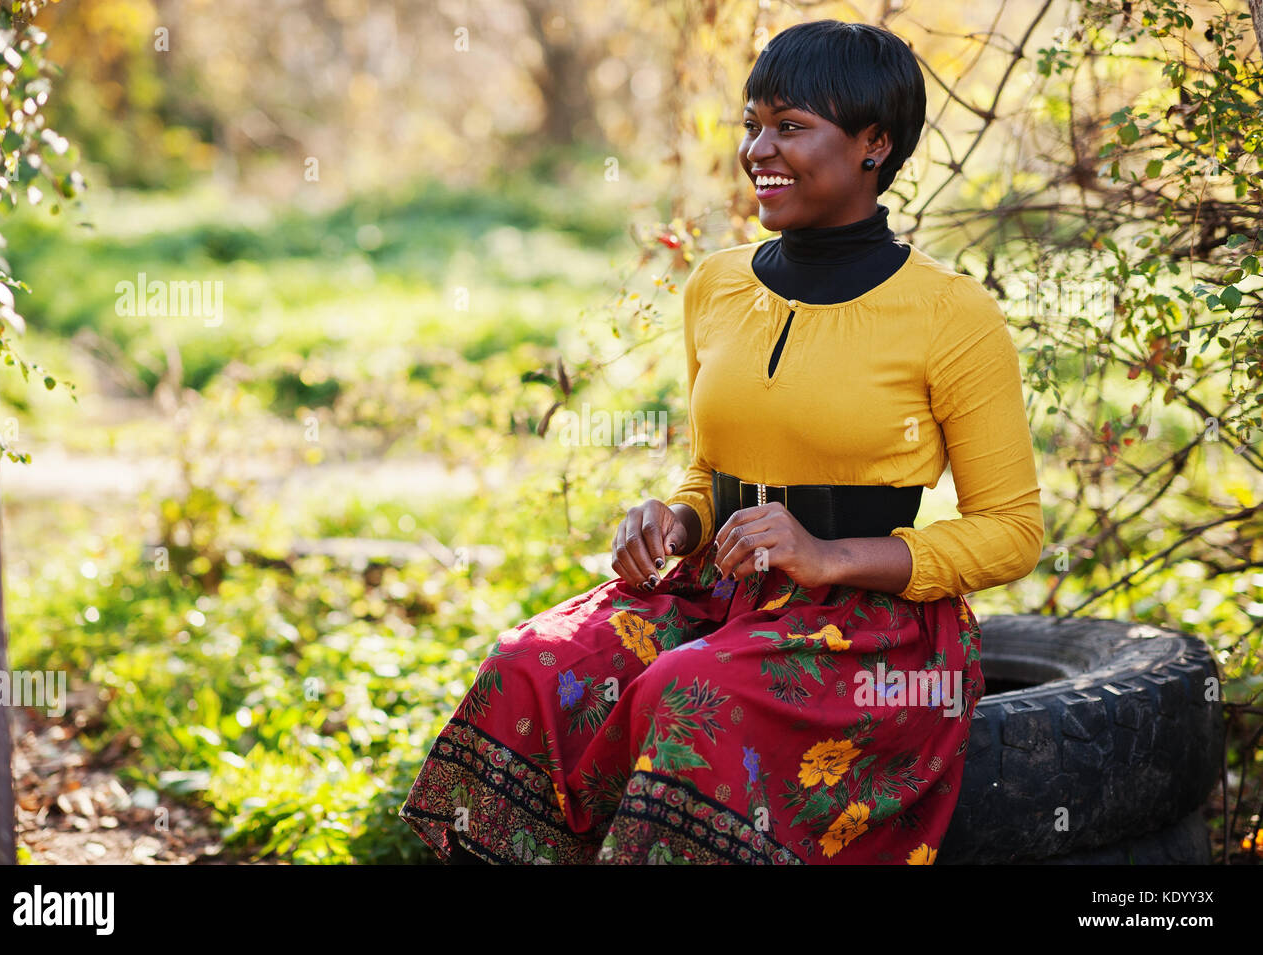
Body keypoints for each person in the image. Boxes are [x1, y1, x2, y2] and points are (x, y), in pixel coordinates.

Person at [399, 18, 1044, 864]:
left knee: (688, 691)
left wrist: (829, 556)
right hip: (716, 591)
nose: (757, 151)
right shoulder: (717, 284)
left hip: (867, 627)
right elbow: (713, 467)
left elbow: (1012, 531)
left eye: (790, 126)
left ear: (874, 144)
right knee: (533, 661)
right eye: (752, 125)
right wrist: (677, 521)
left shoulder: (950, 314)